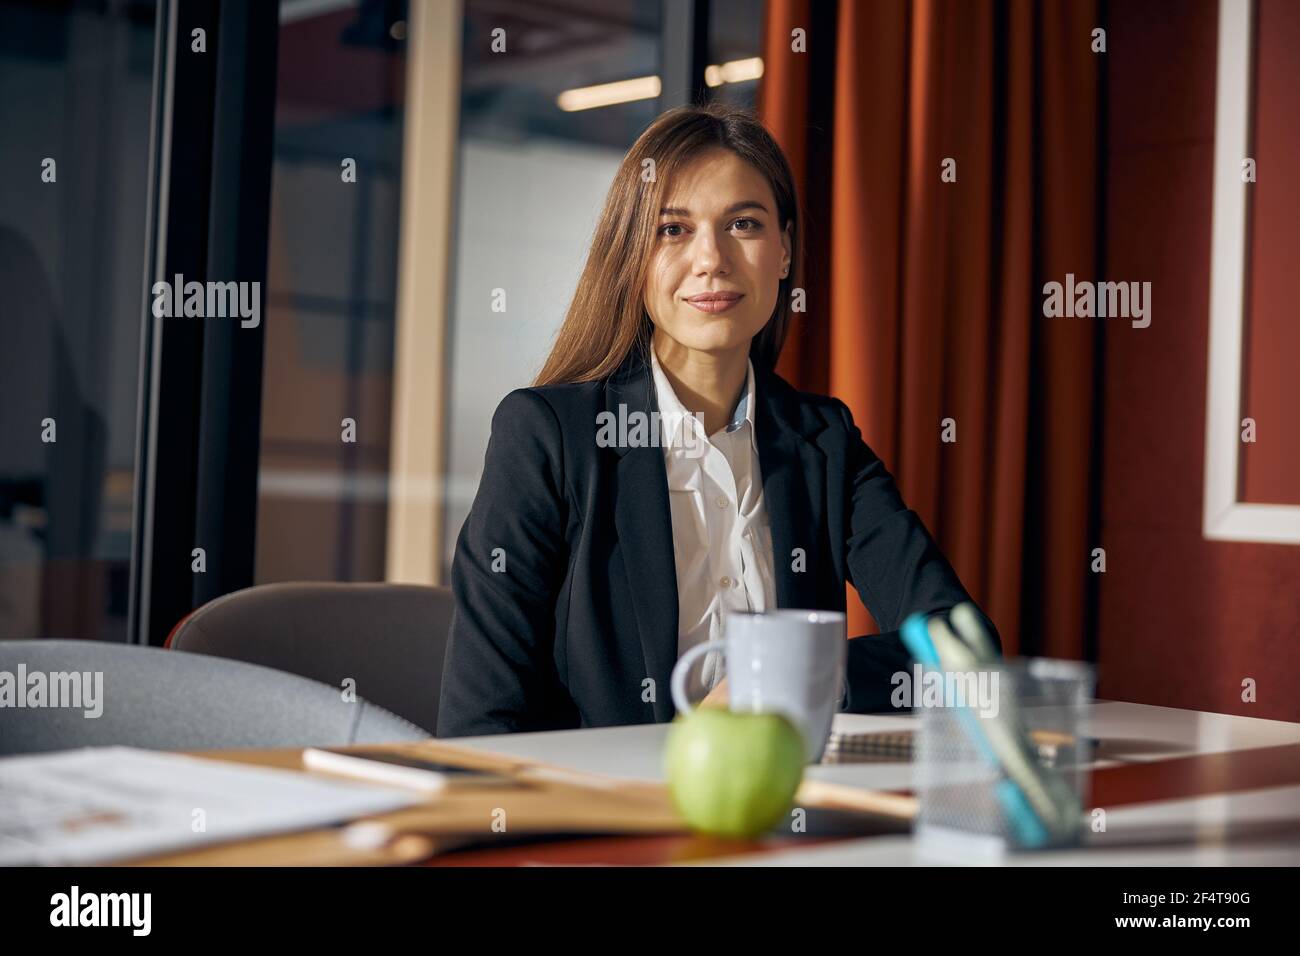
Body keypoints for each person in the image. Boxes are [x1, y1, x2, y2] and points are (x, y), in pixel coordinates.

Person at [437, 103, 998, 737]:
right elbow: (477, 729)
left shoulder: (823, 441)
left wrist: (779, 677)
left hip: (784, 814)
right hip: (604, 815)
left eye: (744, 224)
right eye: (673, 230)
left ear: (784, 250)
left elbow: (963, 649)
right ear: (634, 258)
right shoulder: (547, 436)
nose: (712, 259)